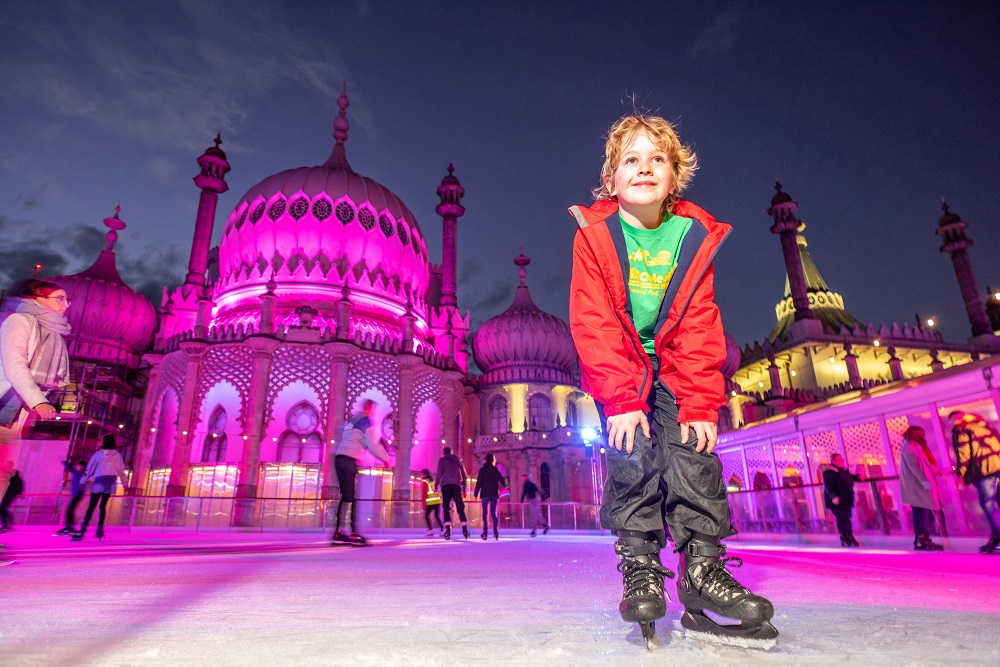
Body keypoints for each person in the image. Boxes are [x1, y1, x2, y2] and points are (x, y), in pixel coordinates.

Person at [568, 113, 777, 648]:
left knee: (694, 453)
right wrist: (620, 399)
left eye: (656, 158)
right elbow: (594, 320)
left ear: (675, 175)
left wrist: (700, 401)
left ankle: (703, 572)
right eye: (630, 160)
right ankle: (639, 564)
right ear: (610, 180)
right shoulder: (595, 236)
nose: (644, 169)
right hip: (623, 365)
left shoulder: (693, 235)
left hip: (675, 364)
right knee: (631, 450)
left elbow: (699, 323)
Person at [0, 279, 71, 467]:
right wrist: (38, 400)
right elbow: (14, 364)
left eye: (67, 300)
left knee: (6, 470)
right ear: (40, 299)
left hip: (15, 412)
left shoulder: (53, 333)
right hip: (4, 404)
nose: (66, 304)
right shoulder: (20, 321)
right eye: (60, 299)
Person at [333, 399, 391, 546]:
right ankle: (351, 532)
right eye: (373, 410)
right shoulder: (366, 420)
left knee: (346, 497)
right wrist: (385, 458)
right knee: (350, 497)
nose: (374, 413)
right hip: (348, 461)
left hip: (340, 458)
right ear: (369, 408)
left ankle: (339, 531)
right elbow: (371, 444)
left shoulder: (353, 421)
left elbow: (350, 437)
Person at [948, 410, 1000, 554]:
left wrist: (960, 474)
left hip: (983, 472)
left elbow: (964, 453)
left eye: (952, 421)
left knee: (988, 504)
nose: (952, 424)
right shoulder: (986, 427)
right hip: (998, 469)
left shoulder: (962, 430)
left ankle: (998, 537)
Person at [73, 435, 129, 541]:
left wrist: (83, 481)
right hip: (111, 481)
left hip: (99, 479)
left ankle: (82, 530)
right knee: (103, 506)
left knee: (92, 506)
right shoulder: (117, 455)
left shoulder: (98, 455)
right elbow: (121, 471)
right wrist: (125, 484)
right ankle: (100, 530)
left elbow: (89, 469)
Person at [898, 426, 945, 551]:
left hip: (919, 485)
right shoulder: (909, 447)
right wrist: (924, 481)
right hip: (917, 485)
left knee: (924, 511)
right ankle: (921, 539)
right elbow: (913, 466)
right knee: (921, 512)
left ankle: (923, 538)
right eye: (921, 434)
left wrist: (937, 471)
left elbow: (924, 464)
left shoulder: (914, 447)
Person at [823, 454, 861, 547]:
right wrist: (833, 496)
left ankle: (847, 535)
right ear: (833, 461)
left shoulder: (843, 470)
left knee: (846, 517)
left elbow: (848, 477)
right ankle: (846, 536)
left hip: (846, 499)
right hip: (836, 500)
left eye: (842, 459)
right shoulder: (829, 472)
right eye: (839, 460)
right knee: (843, 517)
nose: (842, 461)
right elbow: (828, 486)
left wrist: (858, 477)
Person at [435, 446, 469, 540]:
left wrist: (436, 485)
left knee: (446, 507)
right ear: (452, 452)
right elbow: (465, 477)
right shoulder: (458, 461)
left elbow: (439, 473)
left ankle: (447, 529)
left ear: (444, 453)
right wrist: (464, 489)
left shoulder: (442, 460)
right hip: (457, 486)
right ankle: (464, 529)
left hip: (446, 486)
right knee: (460, 507)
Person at [474, 454, 507, 540]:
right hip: (493, 493)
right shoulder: (495, 470)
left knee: (485, 513)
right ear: (492, 460)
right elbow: (502, 479)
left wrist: (476, 493)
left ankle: (485, 531)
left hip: (485, 493)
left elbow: (479, 482)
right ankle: (495, 530)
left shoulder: (482, 470)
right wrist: (505, 485)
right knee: (493, 513)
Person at [56, 459, 86, 536]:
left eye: (78, 465)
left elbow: (73, 470)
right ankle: (70, 526)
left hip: (78, 494)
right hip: (76, 494)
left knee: (69, 510)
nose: (77, 466)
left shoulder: (81, 473)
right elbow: (73, 470)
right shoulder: (79, 473)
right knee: (70, 510)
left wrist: (66, 464)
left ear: (82, 467)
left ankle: (69, 526)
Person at [420, 469, 443, 537]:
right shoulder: (433, 481)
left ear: (425, 474)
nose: (421, 475)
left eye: (422, 474)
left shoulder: (425, 482)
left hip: (431, 501)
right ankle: (442, 530)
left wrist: (424, 504)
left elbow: (424, 493)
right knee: (437, 516)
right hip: (437, 501)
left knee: (427, 516)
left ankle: (430, 530)